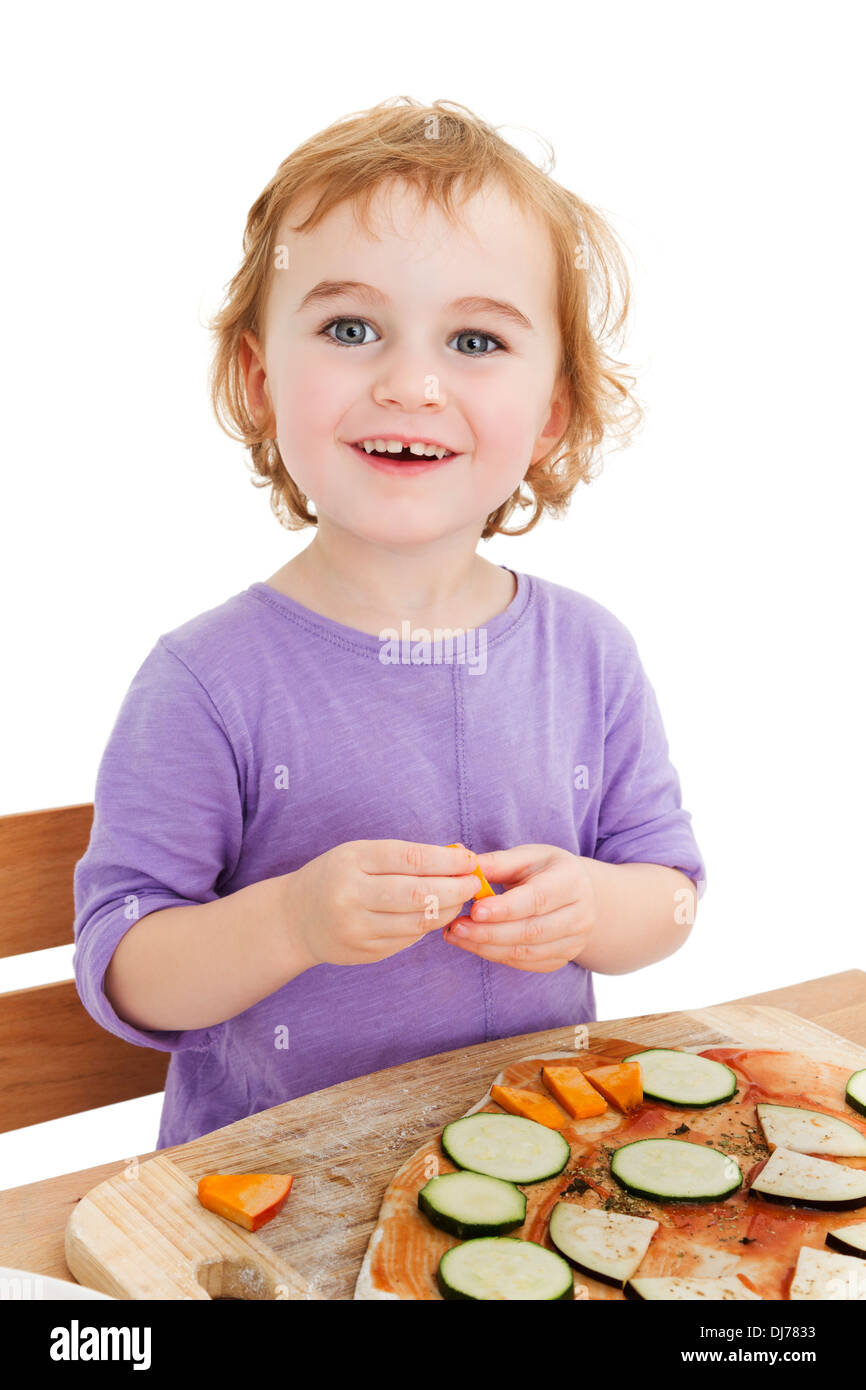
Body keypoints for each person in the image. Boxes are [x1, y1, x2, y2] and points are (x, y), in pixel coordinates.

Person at [73, 97, 707, 1150]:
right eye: (350, 329)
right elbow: (126, 969)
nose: (410, 384)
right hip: (266, 1200)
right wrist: (289, 920)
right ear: (258, 377)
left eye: (472, 339)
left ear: (550, 410)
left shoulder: (589, 655)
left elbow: (668, 897)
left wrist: (589, 908)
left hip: (525, 1178)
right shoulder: (205, 679)